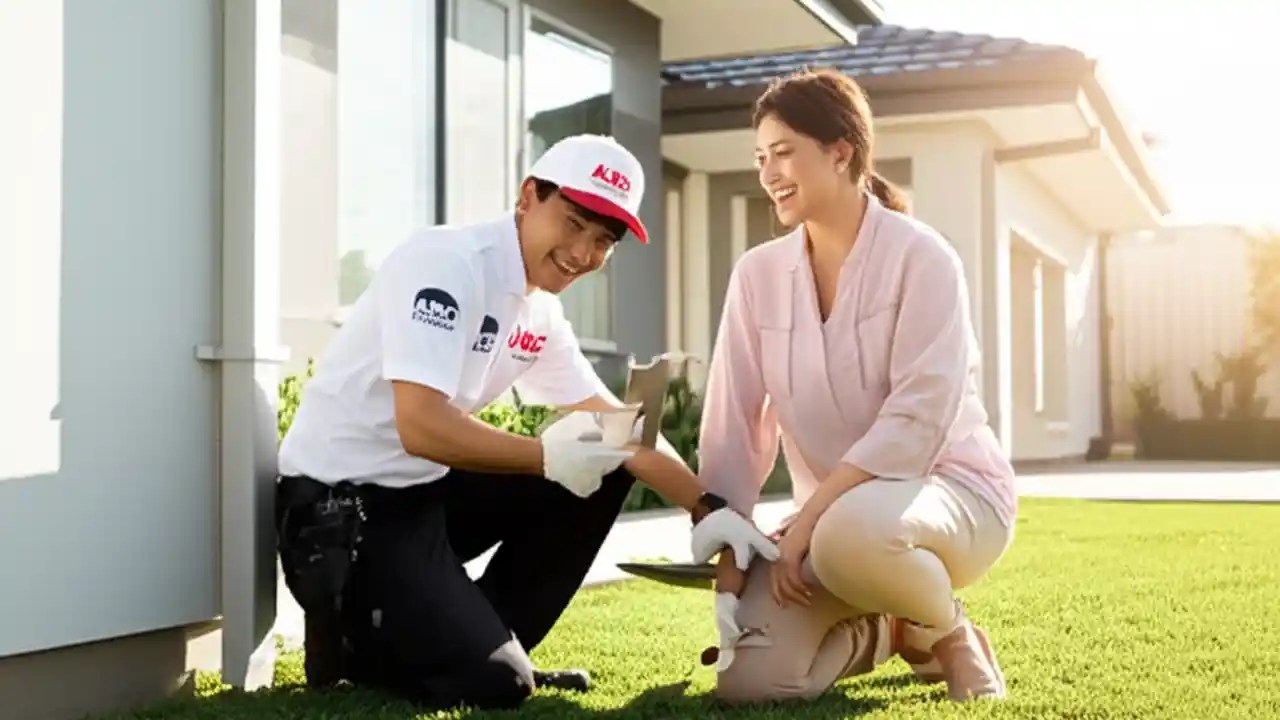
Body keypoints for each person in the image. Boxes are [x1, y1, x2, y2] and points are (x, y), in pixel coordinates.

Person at [274, 134, 778, 711]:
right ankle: (364, 647)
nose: (583, 253)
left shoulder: (538, 310)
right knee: (500, 686)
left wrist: (710, 513)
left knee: (610, 459)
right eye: (573, 223)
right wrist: (546, 457)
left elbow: (621, 428)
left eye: (602, 242)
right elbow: (421, 426)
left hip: (420, 496)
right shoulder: (446, 263)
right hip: (340, 515)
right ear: (528, 196)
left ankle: (490, 641)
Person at [696, 68, 1019, 704]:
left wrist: (810, 519)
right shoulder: (757, 274)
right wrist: (731, 564)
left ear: (840, 151)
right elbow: (733, 424)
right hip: (836, 529)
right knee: (751, 684)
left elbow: (916, 421)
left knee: (850, 534)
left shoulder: (923, 258)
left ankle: (946, 630)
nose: (768, 172)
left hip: (950, 498)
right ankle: (887, 629)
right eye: (761, 157)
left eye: (784, 152)